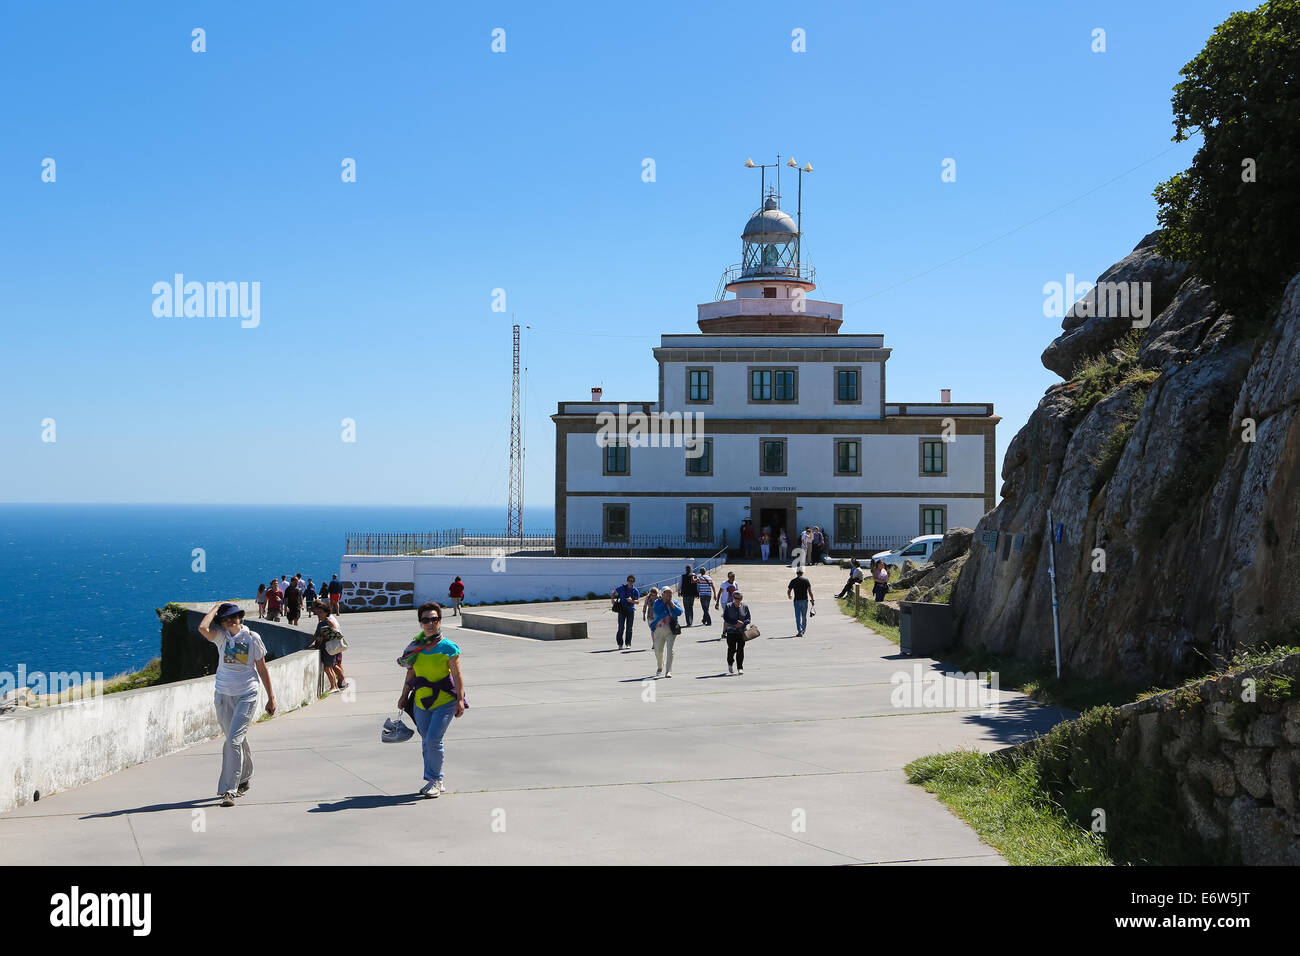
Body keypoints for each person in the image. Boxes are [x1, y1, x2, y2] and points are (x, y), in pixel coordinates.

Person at [197, 602, 276, 807]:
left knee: (232, 740)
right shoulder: (222, 637)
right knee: (236, 739)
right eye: (225, 618)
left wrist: (271, 697)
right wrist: (215, 608)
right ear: (221, 622)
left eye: (233, 616)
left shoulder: (252, 638)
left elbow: (262, 667)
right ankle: (245, 776)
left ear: (240, 616)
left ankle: (228, 790)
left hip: (247, 694)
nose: (230, 620)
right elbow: (202, 628)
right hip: (223, 695)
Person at [397, 603, 466, 798]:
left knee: (434, 739)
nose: (430, 623)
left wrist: (460, 700)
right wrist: (404, 695)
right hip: (420, 701)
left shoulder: (449, 647)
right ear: (420, 623)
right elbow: (411, 672)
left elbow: (457, 675)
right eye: (425, 620)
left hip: (444, 701)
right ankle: (434, 779)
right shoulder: (415, 647)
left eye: (434, 619)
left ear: (440, 621)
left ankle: (435, 779)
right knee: (427, 741)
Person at [309, 601, 348, 692]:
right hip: (324, 648)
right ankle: (335, 686)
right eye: (317, 613)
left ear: (326, 612)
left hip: (329, 648)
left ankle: (335, 686)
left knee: (329, 667)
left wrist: (323, 635)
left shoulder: (329, 621)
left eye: (320, 613)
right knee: (329, 667)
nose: (318, 615)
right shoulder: (320, 623)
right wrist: (309, 644)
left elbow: (335, 631)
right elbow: (315, 635)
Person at [649, 586, 683, 678]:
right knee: (658, 651)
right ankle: (660, 666)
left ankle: (668, 671)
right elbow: (657, 611)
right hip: (659, 630)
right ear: (662, 594)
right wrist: (664, 602)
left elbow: (680, 612)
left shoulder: (674, 602)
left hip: (671, 630)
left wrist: (672, 604)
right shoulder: (657, 602)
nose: (669, 595)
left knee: (670, 650)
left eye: (670, 593)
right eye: (667, 593)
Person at [721, 590, 752, 675]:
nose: (737, 600)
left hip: (741, 632)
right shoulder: (728, 606)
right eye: (735, 598)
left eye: (739, 598)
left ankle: (740, 667)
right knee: (731, 649)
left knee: (740, 650)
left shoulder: (745, 606)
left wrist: (743, 623)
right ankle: (730, 663)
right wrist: (735, 622)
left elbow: (748, 618)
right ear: (733, 598)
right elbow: (726, 618)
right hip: (731, 632)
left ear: (741, 598)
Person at [611, 574, 640, 649]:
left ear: (634, 582)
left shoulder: (635, 590)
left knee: (629, 628)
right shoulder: (622, 588)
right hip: (621, 610)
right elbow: (614, 591)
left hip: (630, 610)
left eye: (632, 581)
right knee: (621, 627)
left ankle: (628, 643)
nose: (631, 582)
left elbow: (638, 602)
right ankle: (620, 644)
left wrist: (631, 601)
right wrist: (612, 599)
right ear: (627, 581)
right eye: (629, 581)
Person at [788, 568, 815, 637]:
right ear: (802, 573)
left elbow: (789, 590)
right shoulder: (806, 580)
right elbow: (810, 591)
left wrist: (789, 595)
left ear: (796, 573)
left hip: (796, 600)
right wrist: (812, 599)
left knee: (797, 617)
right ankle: (803, 630)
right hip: (804, 600)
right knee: (804, 616)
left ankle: (799, 631)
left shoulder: (793, 581)